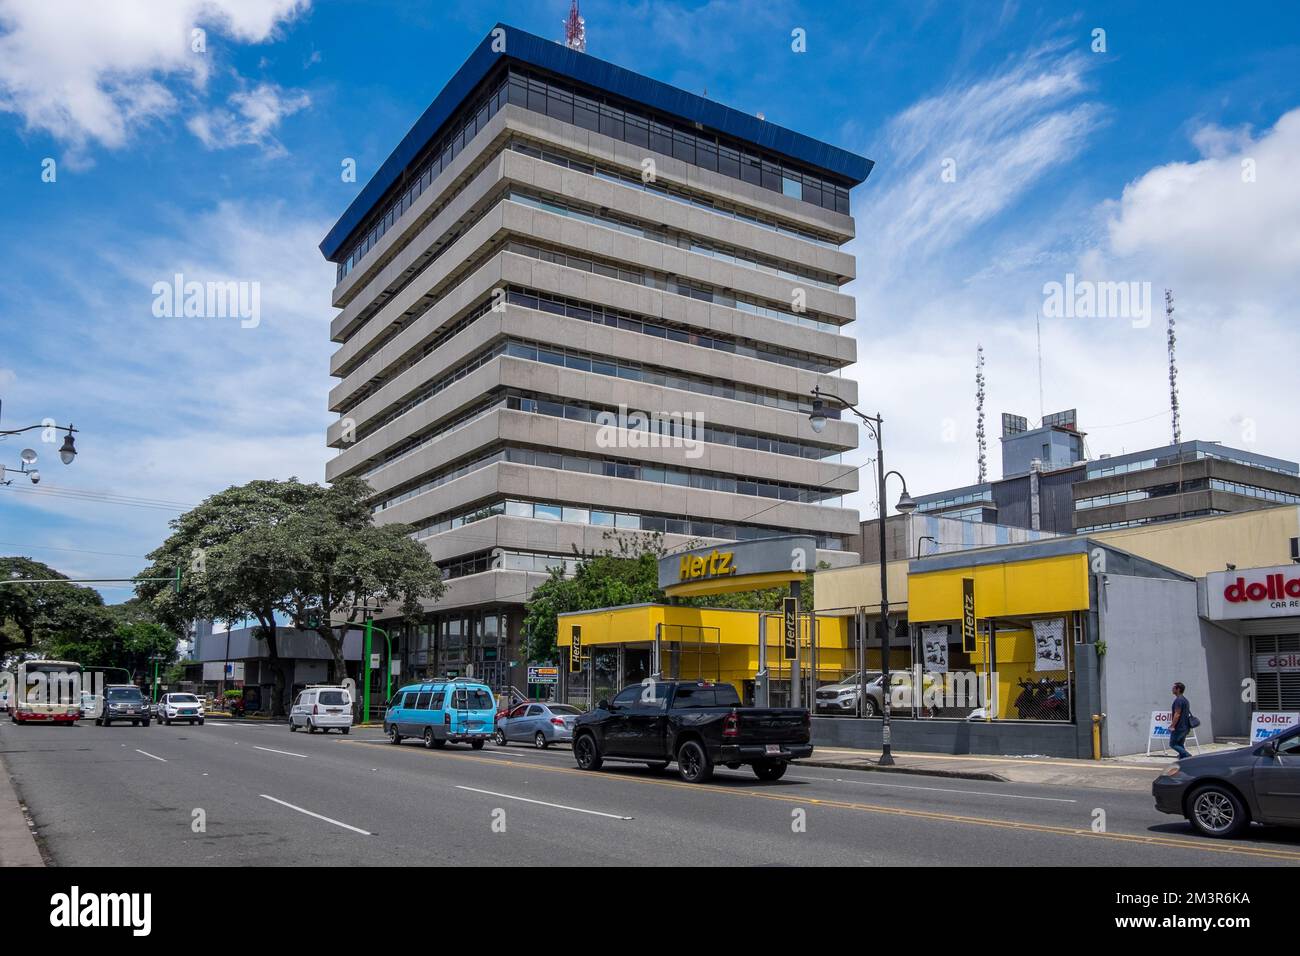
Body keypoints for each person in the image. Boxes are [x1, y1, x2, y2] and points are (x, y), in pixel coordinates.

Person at [1169, 681, 1192, 759]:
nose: (1172, 689)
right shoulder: (1185, 700)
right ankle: (1184, 759)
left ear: (1178, 689)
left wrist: (1172, 725)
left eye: (1173, 688)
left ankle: (1187, 756)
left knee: (1173, 744)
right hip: (1185, 727)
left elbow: (1177, 714)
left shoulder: (1179, 700)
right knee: (1180, 744)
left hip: (1179, 727)